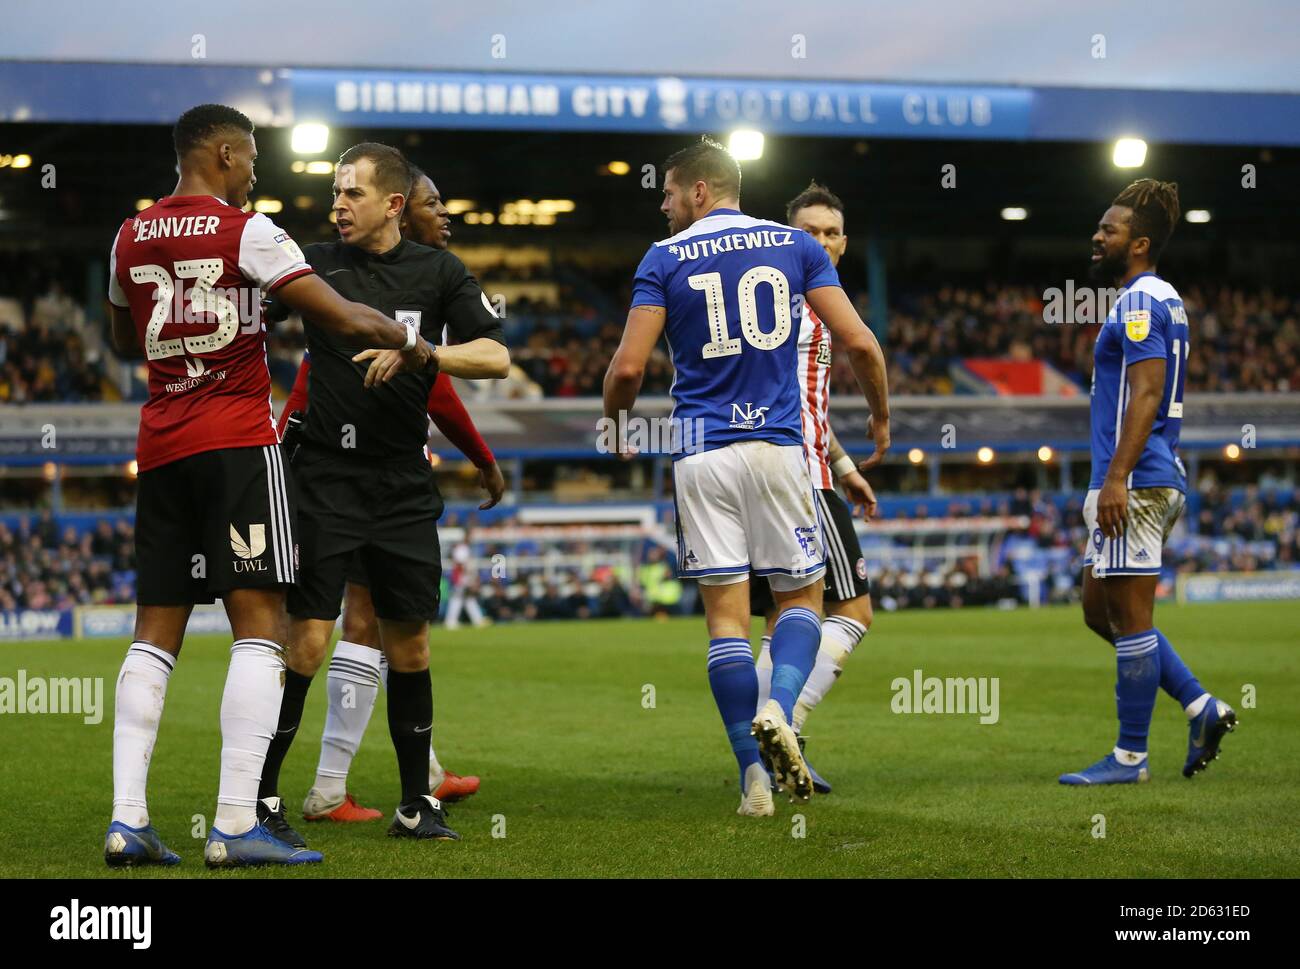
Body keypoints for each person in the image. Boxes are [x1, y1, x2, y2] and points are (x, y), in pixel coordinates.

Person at [103, 104, 425, 868]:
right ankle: (234, 823)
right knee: (261, 628)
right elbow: (342, 317)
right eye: (248, 158)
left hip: (162, 444)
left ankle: (127, 822)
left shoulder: (129, 233)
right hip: (238, 445)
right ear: (222, 152)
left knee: (154, 633)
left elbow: (123, 338)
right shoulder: (249, 230)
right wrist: (411, 341)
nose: (255, 172)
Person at [604, 138, 890, 816]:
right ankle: (782, 710)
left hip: (702, 453)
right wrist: (879, 420)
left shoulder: (662, 257)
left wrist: (616, 423)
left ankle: (752, 780)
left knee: (727, 623)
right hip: (779, 448)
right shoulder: (793, 246)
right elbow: (860, 343)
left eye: (669, 193)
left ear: (700, 191)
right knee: (801, 602)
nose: (665, 205)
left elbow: (625, 369)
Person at [260, 143, 508, 844]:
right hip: (325, 478)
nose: (337, 204)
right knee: (306, 640)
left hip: (402, 481)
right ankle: (263, 798)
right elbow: (252, 307)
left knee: (412, 645)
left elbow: (496, 354)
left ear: (392, 204)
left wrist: (426, 350)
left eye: (352, 194)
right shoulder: (314, 264)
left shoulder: (438, 271)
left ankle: (412, 805)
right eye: (336, 192)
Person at [1060, 178, 1237, 786]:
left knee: (1131, 620)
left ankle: (1130, 758)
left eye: (1107, 230)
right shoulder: (1157, 298)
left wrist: (1116, 477)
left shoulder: (1140, 301)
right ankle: (1199, 705)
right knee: (1096, 610)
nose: (1096, 236)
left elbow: (1147, 393)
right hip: (1137, 478)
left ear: (1137, 244)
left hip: (1136, 481)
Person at [749, 182, 878, 795]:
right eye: (810, 232)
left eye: (831, 233)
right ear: (789, 236)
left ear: (845, 242)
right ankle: (787, 723)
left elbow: (804, 404)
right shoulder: (806, 305)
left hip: (774, 468)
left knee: (784, 616)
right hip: (799, 477)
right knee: (851, 611)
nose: (822, 242)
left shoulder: (785, 299)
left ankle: (763, 753)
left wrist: (848, 464)